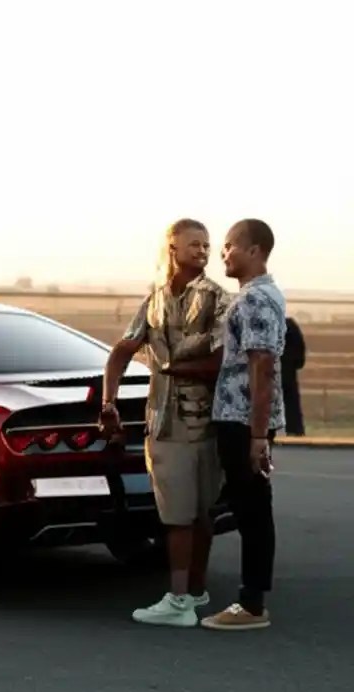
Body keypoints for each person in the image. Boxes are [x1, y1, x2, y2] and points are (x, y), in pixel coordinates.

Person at [100, 219, 231, 627]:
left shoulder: (218, 299)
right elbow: (122, 350)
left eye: (208, 244)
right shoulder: (154, 300)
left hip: (205, 422)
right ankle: (181, 598)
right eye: (194, 243)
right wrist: (110, 401)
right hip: (163, 424)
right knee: (175, 513)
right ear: (171, 247)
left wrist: (173, 367)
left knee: (201, 513)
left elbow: (223, 360)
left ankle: (190, 594)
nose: (203, 250)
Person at [202, 219, 287, 631]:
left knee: (253, 510)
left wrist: (257, 436)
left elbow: (262, 365)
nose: (224, 253)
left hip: (243, 420)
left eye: (231, 245)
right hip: (238, 418)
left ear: (255, 250)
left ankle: (251, 605)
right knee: (247, 506)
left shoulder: (255, 300)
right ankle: (250, 598)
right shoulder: (258, 295)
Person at [282, 317, 306, 435]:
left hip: (265, 375)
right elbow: (300, 358)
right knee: (292, 410)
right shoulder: (289, 325)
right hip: (287, 375)